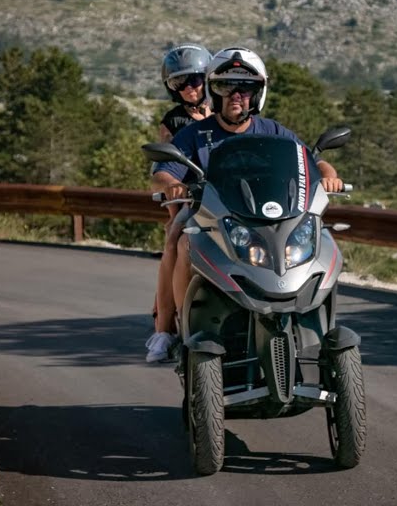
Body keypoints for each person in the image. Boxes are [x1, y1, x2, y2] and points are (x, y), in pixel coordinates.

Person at [145, 46, 343, 363]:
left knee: (318, 242)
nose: (236, 95)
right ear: (215, 92)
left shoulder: (274, 131)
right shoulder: (195, 134)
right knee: (180, 243)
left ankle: (313, 327)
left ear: (257, 94)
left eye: (246, 88)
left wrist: (330, 176)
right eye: (227, 87)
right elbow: (162, 174)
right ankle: (178, 331)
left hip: (267, 220)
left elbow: (312, 161)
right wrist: (174, 184)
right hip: (210, 216)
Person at [146, 44, 213, 362]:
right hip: (193, 198)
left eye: (195, 80)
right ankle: (164, 331)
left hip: (231, 199)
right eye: (180, 83)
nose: (190, 88)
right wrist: (175, 196)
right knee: (174, 239)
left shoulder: (228, 111)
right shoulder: (173, 122)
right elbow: (162, 169)